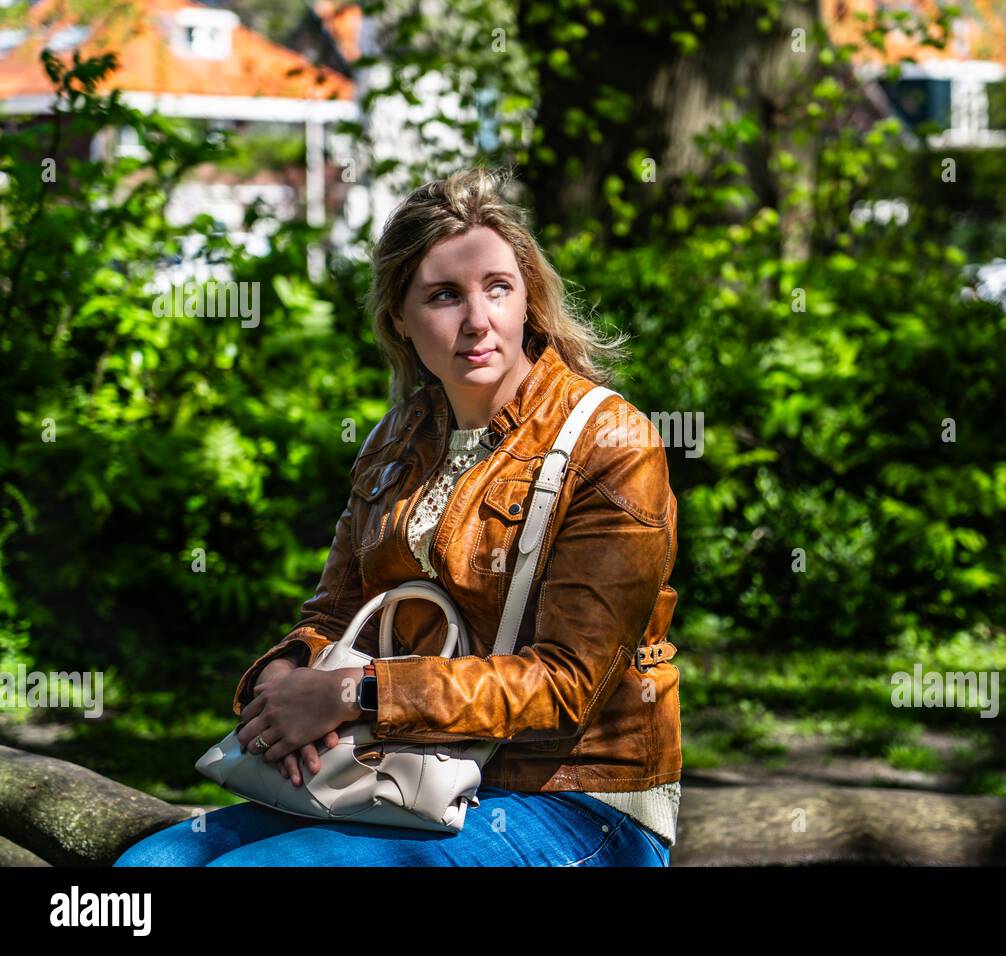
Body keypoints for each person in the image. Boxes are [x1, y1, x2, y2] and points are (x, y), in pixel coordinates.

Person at [115, 167, 681, 867]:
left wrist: (357, 695)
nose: (478, 320)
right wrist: (285, 679)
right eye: (444, 296)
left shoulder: (611, 442)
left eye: (498, 288)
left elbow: (565, 685)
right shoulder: (397, 439)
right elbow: (334, 612)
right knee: (145, 868)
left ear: (529, 301)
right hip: (403, 777)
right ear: (400, 321)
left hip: (573, 799)